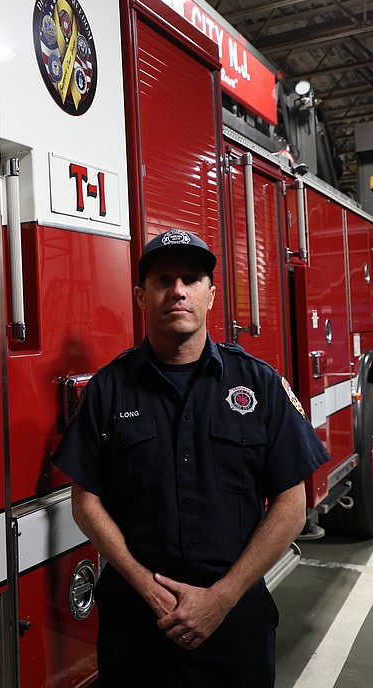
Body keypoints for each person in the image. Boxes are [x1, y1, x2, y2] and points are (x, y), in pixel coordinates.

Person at [52, 228, 328, 687]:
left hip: (234, 621)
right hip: (138, 625)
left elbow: (291, 503)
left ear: (211, 294)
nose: (177, 291)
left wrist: (221, 598)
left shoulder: (258, 384)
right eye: (163, 280)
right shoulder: (108, 388)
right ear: (142, 296)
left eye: (191, 279)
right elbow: (86, 502)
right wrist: (147, 587)